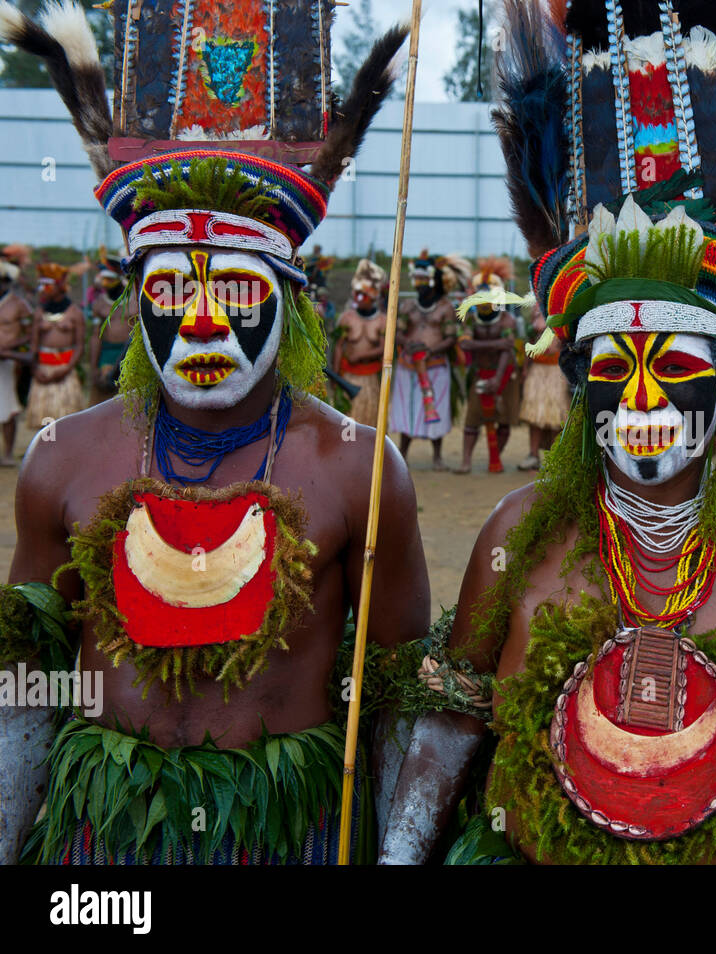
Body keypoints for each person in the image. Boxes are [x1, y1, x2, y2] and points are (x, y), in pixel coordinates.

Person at [378, 0, 716, 865]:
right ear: (581, 388)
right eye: (615, 371)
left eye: (676, 370)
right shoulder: (515, 538)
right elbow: (451, 726)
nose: (642, 401)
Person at [0, 2, 426, 865]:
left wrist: (396, 853)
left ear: (291, 299)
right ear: (134, 302)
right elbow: (27, 680)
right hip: (102, 845)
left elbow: (398, 690)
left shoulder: (358, 470)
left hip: (286, 838)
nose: (200, 326)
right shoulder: (66, 458)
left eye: (233, 291)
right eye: (168, 294)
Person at [389, 251, 470, 470]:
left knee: (437, 408)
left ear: (433, 280)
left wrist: (430, 350)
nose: (417, 285)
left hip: (435, 367)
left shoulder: (445, 308)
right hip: (409, 366)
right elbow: (398, 333)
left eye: (422, 280)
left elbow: (451, 337)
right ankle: (401, 456)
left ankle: (437, 457)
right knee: (408, 408)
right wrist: (409, 345)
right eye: (415, 280)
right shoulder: (408, 307)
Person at [455, 257, 519, 475]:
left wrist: (497, 379)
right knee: (472, 419)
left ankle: (495, 458)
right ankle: (466, 462)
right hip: (480, 372)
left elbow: (507, 350)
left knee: (504, 421)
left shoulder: (507, 320)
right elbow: (466, 344)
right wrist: (497, 343)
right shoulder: (470, 321)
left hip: (503, 373)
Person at [27, 262, 85, 431]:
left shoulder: (75, 313)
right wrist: (35, 370)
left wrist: (66, 369)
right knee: (44, 420)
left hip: (65, 370)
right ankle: (45, 453)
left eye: (47, 285)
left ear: (60, 286)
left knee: (66, 420)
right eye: (42, 285)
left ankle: (66, 455)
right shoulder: (39, 312)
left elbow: (80, 346)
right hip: (43, 369)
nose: (43, 289)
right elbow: (33, 346)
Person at [517, 301, 571, 470]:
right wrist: (525, 369)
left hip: (557, 371)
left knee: (556, 417)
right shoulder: (536, 311)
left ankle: (553, 458)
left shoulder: (563, 314)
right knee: (535, 416)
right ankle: (533, 455)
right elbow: (530, 342)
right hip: (537, 371)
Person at [333, 259, 387, 428]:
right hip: (348, 376)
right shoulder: (346, 318)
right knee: (347, 423)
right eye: (357, 294)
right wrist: (336, 376)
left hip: (371, 378)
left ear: (373, 296)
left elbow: (385, 348)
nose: (359, 298)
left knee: (370, 422)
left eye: (363, 295)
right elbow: (338, 347)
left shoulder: (383, 321)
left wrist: (362, 355)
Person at [87, 251, 136, 405]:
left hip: (132, 354)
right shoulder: (100, 304)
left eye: (109, 280)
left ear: (120, 279)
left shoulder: (135, 300)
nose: (105, 284)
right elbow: (96, 336)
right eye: (103, 280)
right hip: (107, 355)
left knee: (131, 396)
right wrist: (94, 366)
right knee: (105, 397)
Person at [0, 248, 31, 465]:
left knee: (8, 407)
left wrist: (9, 347)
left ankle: (8, 453)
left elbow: (31, 333)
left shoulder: (19, 305)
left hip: (8, 361)